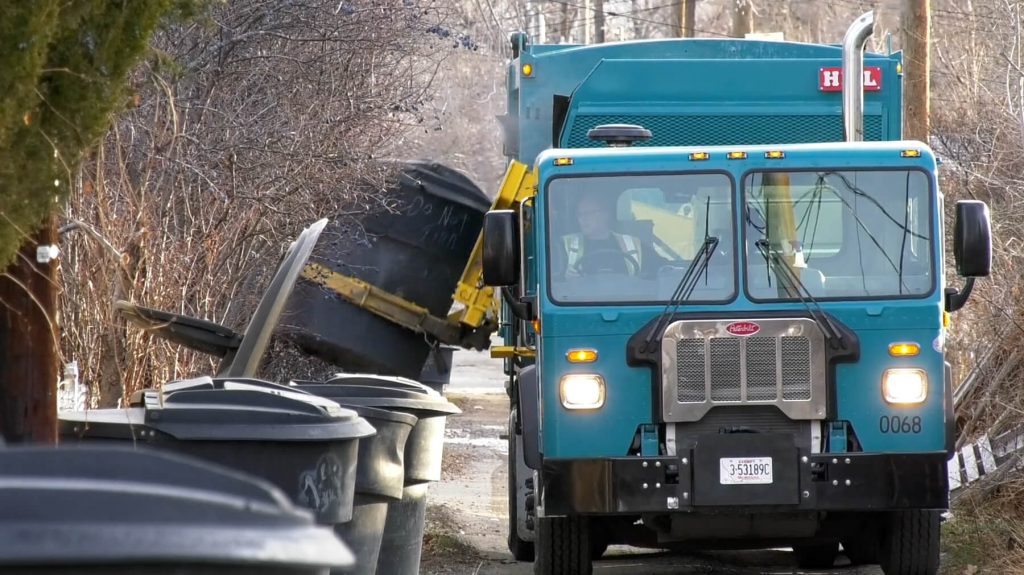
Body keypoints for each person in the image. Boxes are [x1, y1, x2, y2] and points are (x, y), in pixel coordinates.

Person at [561, 195, 643, 277]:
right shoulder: (565, 244)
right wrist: (565, 276)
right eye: (580, 214)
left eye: (588, 213)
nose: (583, 218)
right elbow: (554, 279)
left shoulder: (634, 244)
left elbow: (652, 277)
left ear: (605, 214)